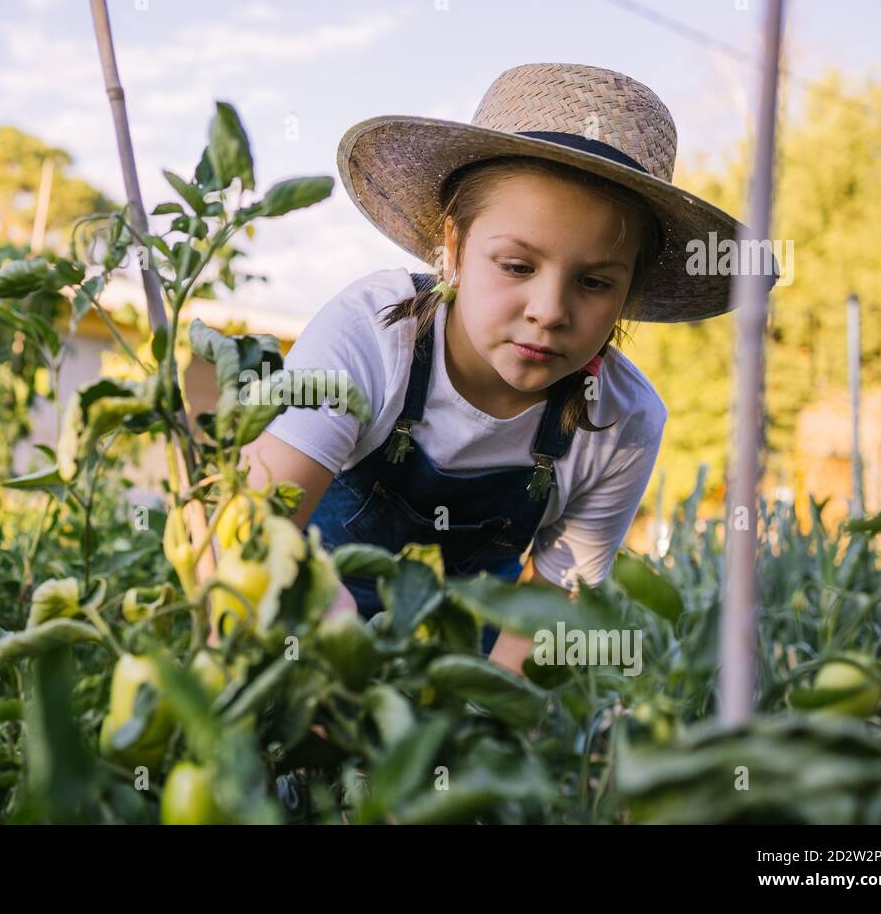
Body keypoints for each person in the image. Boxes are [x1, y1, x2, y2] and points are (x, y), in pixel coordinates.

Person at [240, 62, 777, 675]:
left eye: (595, 282)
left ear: (629, 292)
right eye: (518, 267)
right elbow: (253, 529)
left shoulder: (621, 423)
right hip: (289, 643)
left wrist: (477, 731)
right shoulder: (370, 334)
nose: (549, 312)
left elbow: (545, 615)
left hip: (453, 679)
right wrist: (320, 646)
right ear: (455, 246)